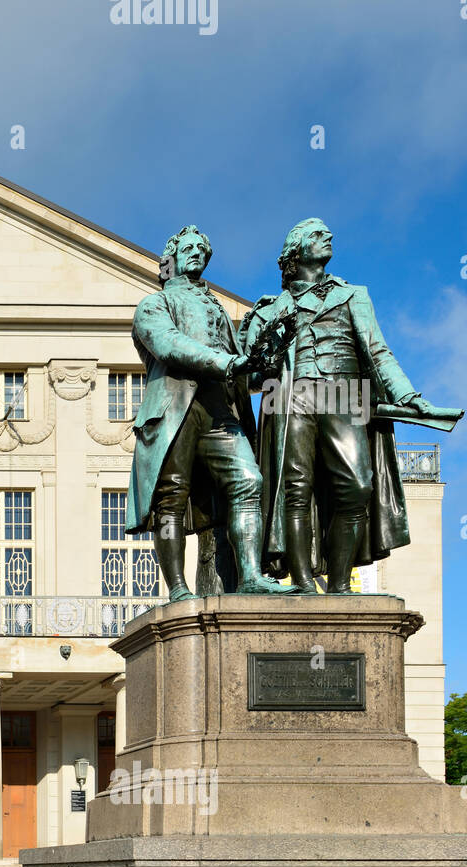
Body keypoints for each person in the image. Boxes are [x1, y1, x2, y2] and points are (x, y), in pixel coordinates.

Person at [242, 218, 436, 592]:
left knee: (358, 486)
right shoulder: (269, 310)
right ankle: (300, 582)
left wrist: (407, 395)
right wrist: (267, 348)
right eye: (316, 234)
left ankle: (339, 584)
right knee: (295, 488)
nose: (328, 237)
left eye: (326, 232)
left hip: (344, 396)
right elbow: (252, 379)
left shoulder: (354, 295)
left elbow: (378, 352)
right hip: (290, 398)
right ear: (294, 252)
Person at [126, 225, 288, 601]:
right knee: (171, 497)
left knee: (249, 481)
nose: (197, 252)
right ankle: (178, 589)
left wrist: (261, 367)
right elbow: (171, 346)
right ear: (173, 256)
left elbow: (239, 373)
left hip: (220, 411)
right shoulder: (154, 305)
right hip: (174, 410)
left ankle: (250, 576)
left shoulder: (217, 309)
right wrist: (229, 362)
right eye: (189, 247)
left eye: (203, 249)